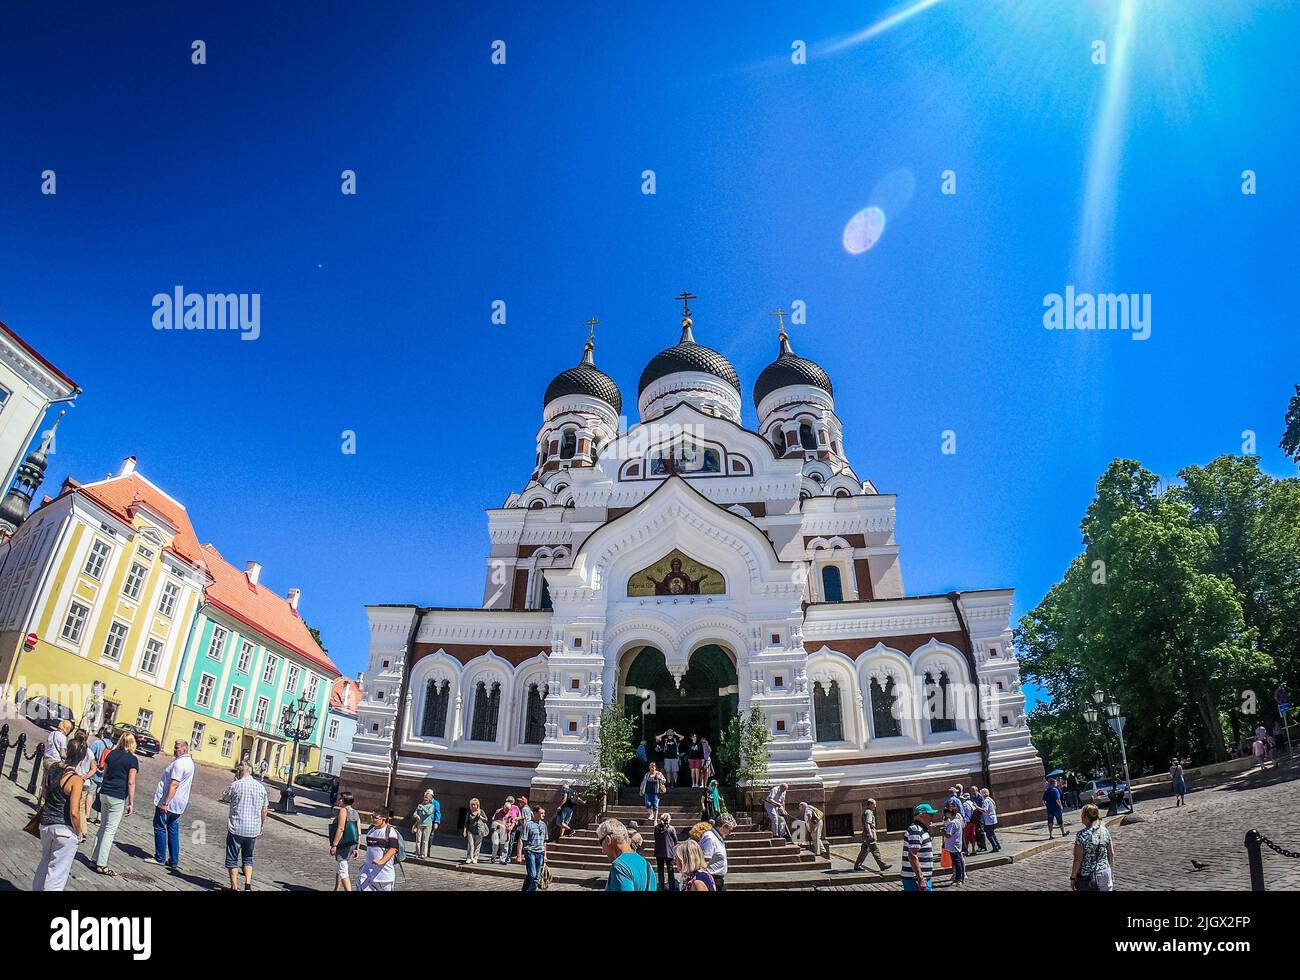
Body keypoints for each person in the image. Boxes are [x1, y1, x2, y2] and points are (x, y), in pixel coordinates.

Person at [33, 732, 87, 891]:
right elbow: (74, 812)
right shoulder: (76, 780)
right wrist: (79, 832)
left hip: (46, 824)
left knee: (44, 864)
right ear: (81, 758)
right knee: (57, 874)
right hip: (64, 829)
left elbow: (44, 793)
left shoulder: (53, 767)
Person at [90, 731, 138, 876]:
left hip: (104, 792)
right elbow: (131, 782)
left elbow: (105, 773)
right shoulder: (132, 760)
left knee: (102, 827)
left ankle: (94, 858)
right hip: (117, 796)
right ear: (132, 744)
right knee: (110, 830)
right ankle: (102, 863)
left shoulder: (111, 754)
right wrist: (131, 802)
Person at [221, 761, 269, 891]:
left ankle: (234, 886)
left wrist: (234, 781)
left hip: (237, 827)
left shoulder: (236, 785)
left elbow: (225, 797)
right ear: (251, 772)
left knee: (232, 857)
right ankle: (248, 885)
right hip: (253, 829)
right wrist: (261, 825)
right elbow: (265, 810)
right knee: (248, 857)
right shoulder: (261, 787)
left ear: (238, 772)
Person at [147, 739, 195, 870]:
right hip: (180, 802)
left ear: (184, 749)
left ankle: (160, 857)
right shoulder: (190, 762)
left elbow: (174, 784)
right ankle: (173, 860)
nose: (175, 749)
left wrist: (165, 803)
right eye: (175, 747)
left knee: (160, 827)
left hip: (170, 801)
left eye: (177, 748)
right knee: (173, 830)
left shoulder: (179, 763)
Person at [598, 818, 657, 891]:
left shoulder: (619, 866)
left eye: (601, 844)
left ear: (608, 840)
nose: (603, 851)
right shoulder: (647, 865)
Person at [1071, 803, 1115, 891]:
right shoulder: (1104, 831)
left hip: (1088, 876)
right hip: (1105, 871)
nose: (1081, 818)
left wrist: (1073, 877)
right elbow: (1111, 853)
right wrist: (1111, 872)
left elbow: (1077, 859)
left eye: (1082, 815)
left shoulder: (1082, 835)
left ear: (1087, 818)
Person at [359, 809, 401, 891]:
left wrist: (381, 861)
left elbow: (393, 849)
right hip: (368, 872)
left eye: (375, 818)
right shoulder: (371, 830)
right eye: (372, 816)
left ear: (384, 819)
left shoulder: (390, 832)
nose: (372, 819)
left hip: (384, 876)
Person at [902, 803, 937, 892]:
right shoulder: (915, 830)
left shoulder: (921, 829)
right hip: (915, 879)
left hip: (922, 878)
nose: (932, 817)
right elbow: (912, 855)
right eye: (930, 815)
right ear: (922, 815)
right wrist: (921, 879)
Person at [329, 791, 360, 891]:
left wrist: (334, 845)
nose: (339, 800)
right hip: (351, 843)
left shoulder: (343, 810)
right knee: (341, 866)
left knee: (343, 869)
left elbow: (341, 828)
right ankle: (336, 889)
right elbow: (358, 831)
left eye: (341, 798)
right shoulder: (356, 812)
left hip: (343, 843)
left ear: (346, 800)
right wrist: (357, 848)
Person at [36, 719, 71, 806]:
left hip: (46, 760)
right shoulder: (62, 737)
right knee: (50, 784)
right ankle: (44, 804)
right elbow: (62, 754)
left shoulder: (52, 733)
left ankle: (39, 801)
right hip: (54, 762)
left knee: (43, 781)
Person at [853, 798, 892, 872]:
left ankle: (857, 866)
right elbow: (867, 824)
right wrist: (871, 834)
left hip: (866, 834)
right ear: (870, 804)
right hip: (869, 834)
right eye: (874, 804)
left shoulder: (867, 811)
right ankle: (882, 865)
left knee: (864, 851)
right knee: (875, 850)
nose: (875, 806)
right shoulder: (869, 813)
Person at [698, 813, 734, 891]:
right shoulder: (710, 838)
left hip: (717, 881)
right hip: (711, 880)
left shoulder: (717, 837)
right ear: (723, 827)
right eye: (730, 830)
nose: (730, 833)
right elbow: (704, 862)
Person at [83, 727, 111, 826]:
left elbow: (89, 754)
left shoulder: (97, 743)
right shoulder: (113, 746)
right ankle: (99, 818)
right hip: (106, 775)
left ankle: (87, 815)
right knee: (101, 796)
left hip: (95, 773)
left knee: (90, 794)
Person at [521, 805, 548, 891]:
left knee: (537, 877)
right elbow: (522, 840)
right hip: (530, 852)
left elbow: (544, 841)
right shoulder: (528, 824)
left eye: (544, 813)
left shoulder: (544, 825)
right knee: (532, 874)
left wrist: (545, 855)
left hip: (540, 853)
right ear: (535, 813)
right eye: (541, 813)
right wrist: (519, 854)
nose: (543, 815)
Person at [412, 788, 441, 858]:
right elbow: (415, 813)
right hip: (421, 823)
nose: (425, 798)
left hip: (430, 822)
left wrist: (437, 822)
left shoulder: (435, 803)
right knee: (418, 839)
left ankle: (425, 853)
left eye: (427, 797)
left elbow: (437, 812)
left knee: (427, 839)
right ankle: (418, 853)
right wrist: (416, 816)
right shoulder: (421, 804)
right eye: (425, 796)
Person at [942, 801, 966, 885]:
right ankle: (961, 877)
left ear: (949, 813)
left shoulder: (952, 823)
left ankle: (959, 878)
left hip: (953, 845)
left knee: (957, 862)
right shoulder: (957, 821)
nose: (946, 815)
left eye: (946, 814)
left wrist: (942, 831)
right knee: (958, 861)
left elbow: (948, 835)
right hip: (957, 843)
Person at [492, 795, 520, 864]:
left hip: (506, 831)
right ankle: (493, 857)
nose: (507, 811)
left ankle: (503, 859)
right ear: (503, 807)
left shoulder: (512, 812)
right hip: (498, 830)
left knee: (505, 846)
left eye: (508, 810)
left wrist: (511, 827)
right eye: (506, 809)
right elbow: (494, 821)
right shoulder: (498, 811)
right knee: (496, 844)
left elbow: (513, 821)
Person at [654, 813, 679, 891]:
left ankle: (661, 886)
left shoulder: (656, 828)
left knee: (660, 870)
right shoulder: (671, 828)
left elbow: (655, 837)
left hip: (659, 851)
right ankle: (671, 886)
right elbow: (675, 840)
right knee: (670, 870)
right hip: (669, 852)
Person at [464, 797, 490, 863]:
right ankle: (469, 857)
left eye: (474, 805)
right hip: (470, 830)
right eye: (471, 805)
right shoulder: (469, 812)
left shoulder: (481, 811)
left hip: (479, 831)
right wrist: (465, 831)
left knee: (478, 845)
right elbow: (466, 822)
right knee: (470, 844)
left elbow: (486, 820)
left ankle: (475, 857)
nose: (473, 806)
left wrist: (480, 817)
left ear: (477, 805)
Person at [512, 795, 533, 863]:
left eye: (520, 802)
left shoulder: (524, 809)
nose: (519, 803)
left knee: (520, 841)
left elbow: (523, 817)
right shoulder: (529, 808)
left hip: (525, 826)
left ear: (524, 803)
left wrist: (516, 818)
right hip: (528, 826)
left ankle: (519, 856)